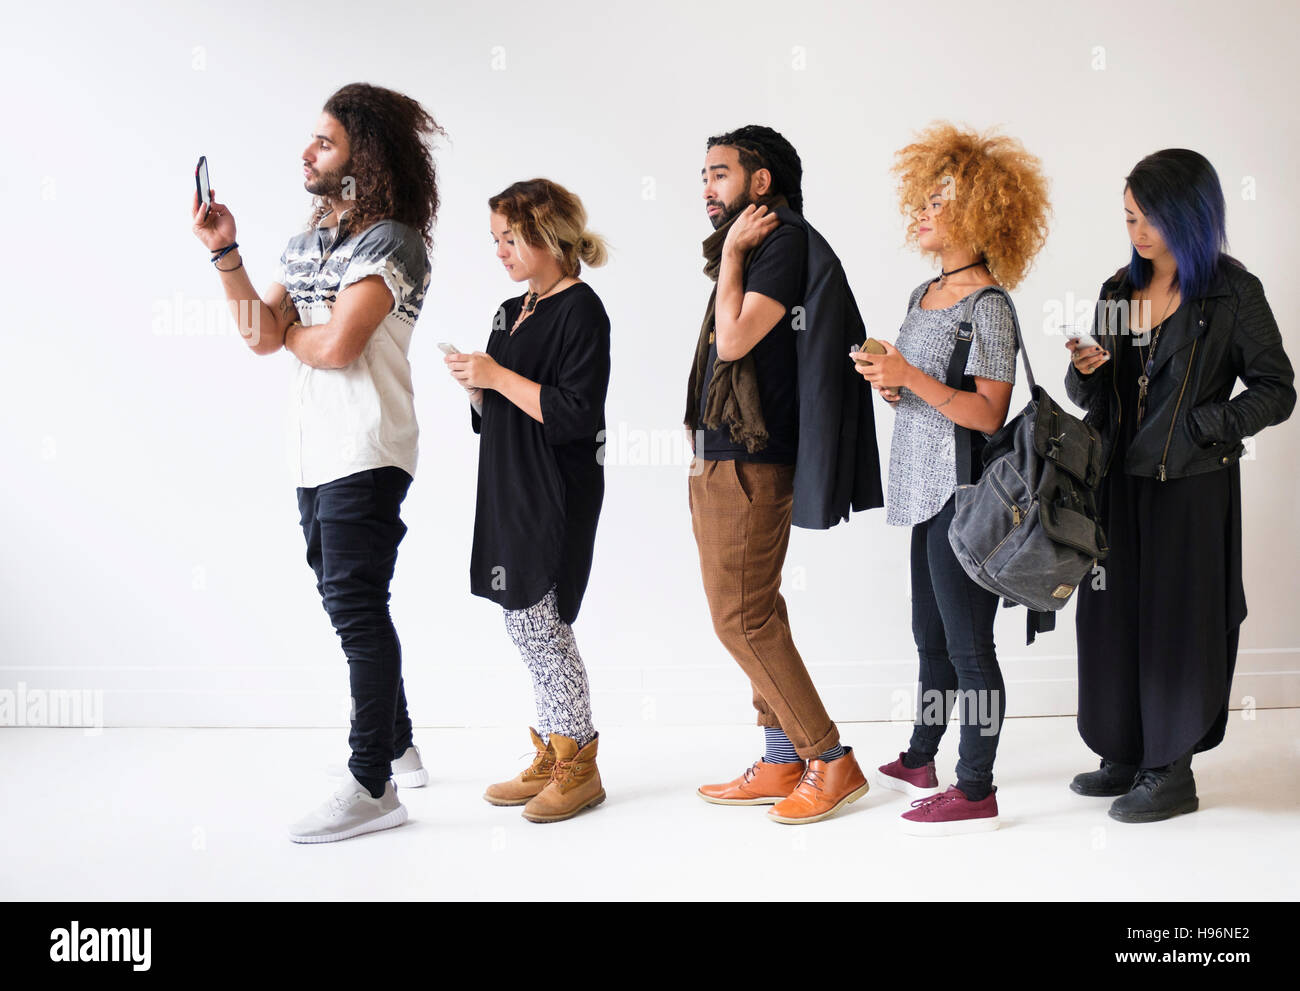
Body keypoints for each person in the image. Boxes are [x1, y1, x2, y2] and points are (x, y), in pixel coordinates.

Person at [191, 83, 442, 843]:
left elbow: (334, 348)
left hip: (368, 446)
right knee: (348, 600)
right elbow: (260, 333)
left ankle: (372, 782)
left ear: (363, 159)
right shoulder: (308, 245)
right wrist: (225, 252)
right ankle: (397, 737)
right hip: (314, 451)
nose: (307, 152)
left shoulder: (395, 242)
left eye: (325, 143)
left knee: (356, 604)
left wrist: (300, 327)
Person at [1064, 149, 1294, 823]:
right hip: (1117, 483)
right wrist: (1084, 369)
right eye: (1130, 217)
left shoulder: (1232, 292)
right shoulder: (1116, 290)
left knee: (1178, 625)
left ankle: (1171, 769)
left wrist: (1206, 423)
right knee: (1110, 619)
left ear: (1189, 216)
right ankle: (1126, 752)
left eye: (1151, 219)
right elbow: (1097, 397)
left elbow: (1279, 389)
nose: (1137, 233)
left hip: (1191, 487)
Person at [855, 122, 1050, 835]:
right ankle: (921, 755)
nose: (921, 212)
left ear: (979, 215)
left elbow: (989, 411)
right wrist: (893, 382)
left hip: (965, 496)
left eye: (938, 202)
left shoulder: (988, 306)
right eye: (923, 198)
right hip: (918, 488)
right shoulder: (923, 292)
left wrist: (911, 377)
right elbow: (930, 394)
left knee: (970, 647)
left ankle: (976, 786)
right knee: (928, 637)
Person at [687, 125, 870, 825]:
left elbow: (733, 339)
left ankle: (830, 758)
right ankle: (780, 757)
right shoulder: (765, 242)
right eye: (703, 175)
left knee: (742, 617)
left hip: (749, 461)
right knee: (756, 610)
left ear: (761, 182)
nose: (707, 188)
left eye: (720, 174)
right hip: (724, 457)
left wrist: (733, 253)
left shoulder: (779, 239)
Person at [445, 178, 612, 824]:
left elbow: (573, 413)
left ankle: (581, 760)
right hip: (508, 484)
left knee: (544, 623)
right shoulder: (510, 309)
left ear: (546, 236)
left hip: (555, 490)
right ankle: (551, 747)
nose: (501, 252)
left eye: (509, 239)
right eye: (496, 240)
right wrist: (478, 390)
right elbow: (506, 410)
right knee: (521, 620)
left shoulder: (582, 311)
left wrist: (496, 375)